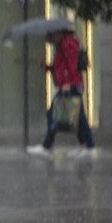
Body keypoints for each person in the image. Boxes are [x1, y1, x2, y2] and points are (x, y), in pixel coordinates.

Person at [28, 27, 96, 158]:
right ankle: (87, 146)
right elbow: (60, 66)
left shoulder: (68, 44)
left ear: (58, 33)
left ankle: (47, 145)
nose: (50, 39)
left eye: (51, 35)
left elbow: (71, 65)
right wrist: (47, 66)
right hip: (71, 85)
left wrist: (68, 82)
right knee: (79, 118)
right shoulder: (61, 45)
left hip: (70, 85)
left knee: (53, 115)